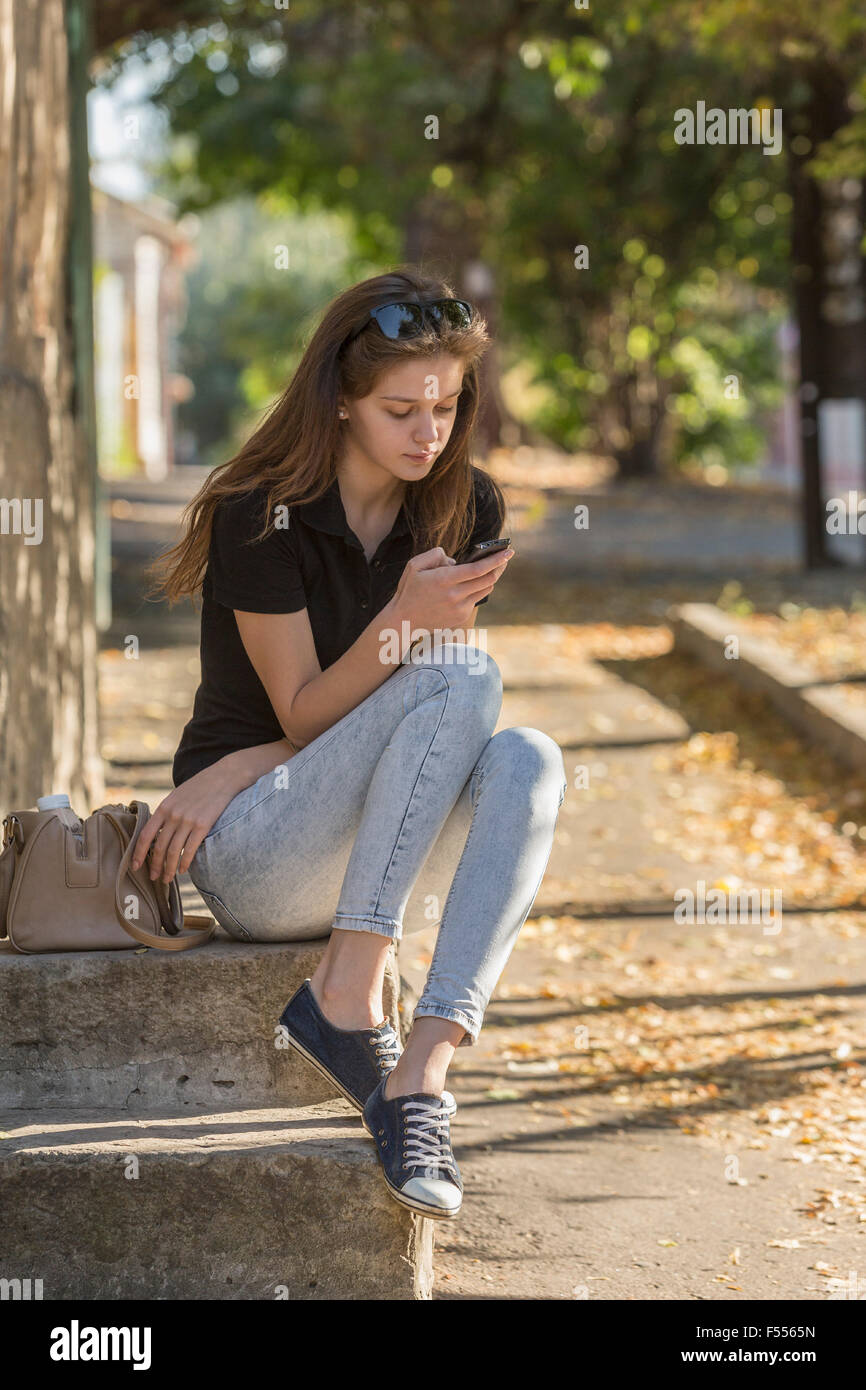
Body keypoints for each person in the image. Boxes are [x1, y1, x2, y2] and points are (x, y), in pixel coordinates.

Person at [140, 266, 567, 1220]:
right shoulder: (260, 511)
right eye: (400, 409)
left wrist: (247, 759)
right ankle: (347, 995)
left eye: (448, 406)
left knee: (531, 758)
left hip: (366, 830)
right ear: (340, 401)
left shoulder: (466, 510)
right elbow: (299, 710)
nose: (429, 433)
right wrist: (404, 619)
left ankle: (420, 1074)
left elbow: (421, 729)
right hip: (253, 851)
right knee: (465, 675)